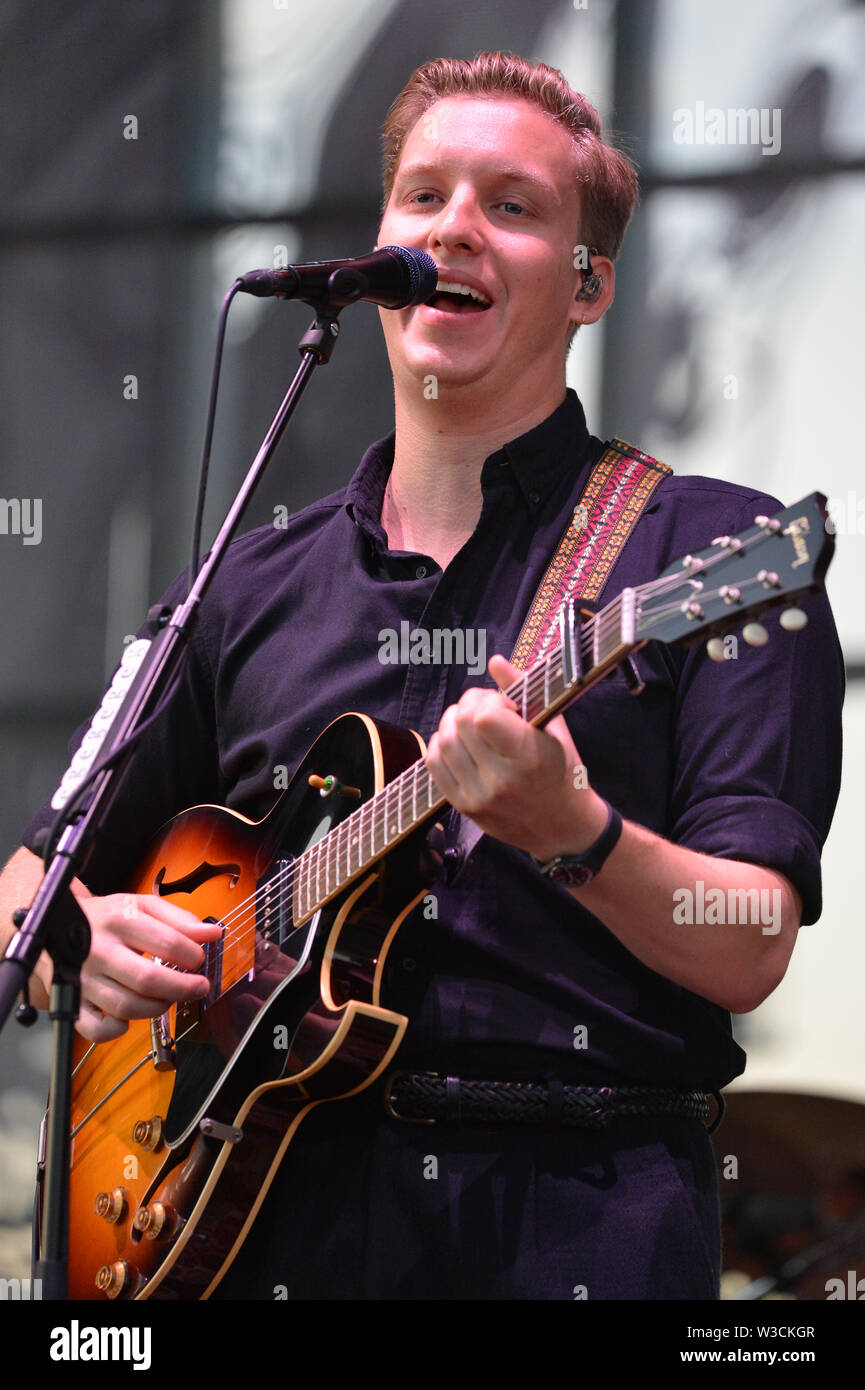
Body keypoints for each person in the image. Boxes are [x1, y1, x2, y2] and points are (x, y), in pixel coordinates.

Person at [0, 51, 843, 1300]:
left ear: (588, 282)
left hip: (572, 1226)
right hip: (243, 1223)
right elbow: (28, 878)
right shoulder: (243, 581)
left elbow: (750, 941)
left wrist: (574, 833)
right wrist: (78, 934)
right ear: (376, 253)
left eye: (512, 206)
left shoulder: (704, 554)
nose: (455, 225)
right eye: (425, 196)